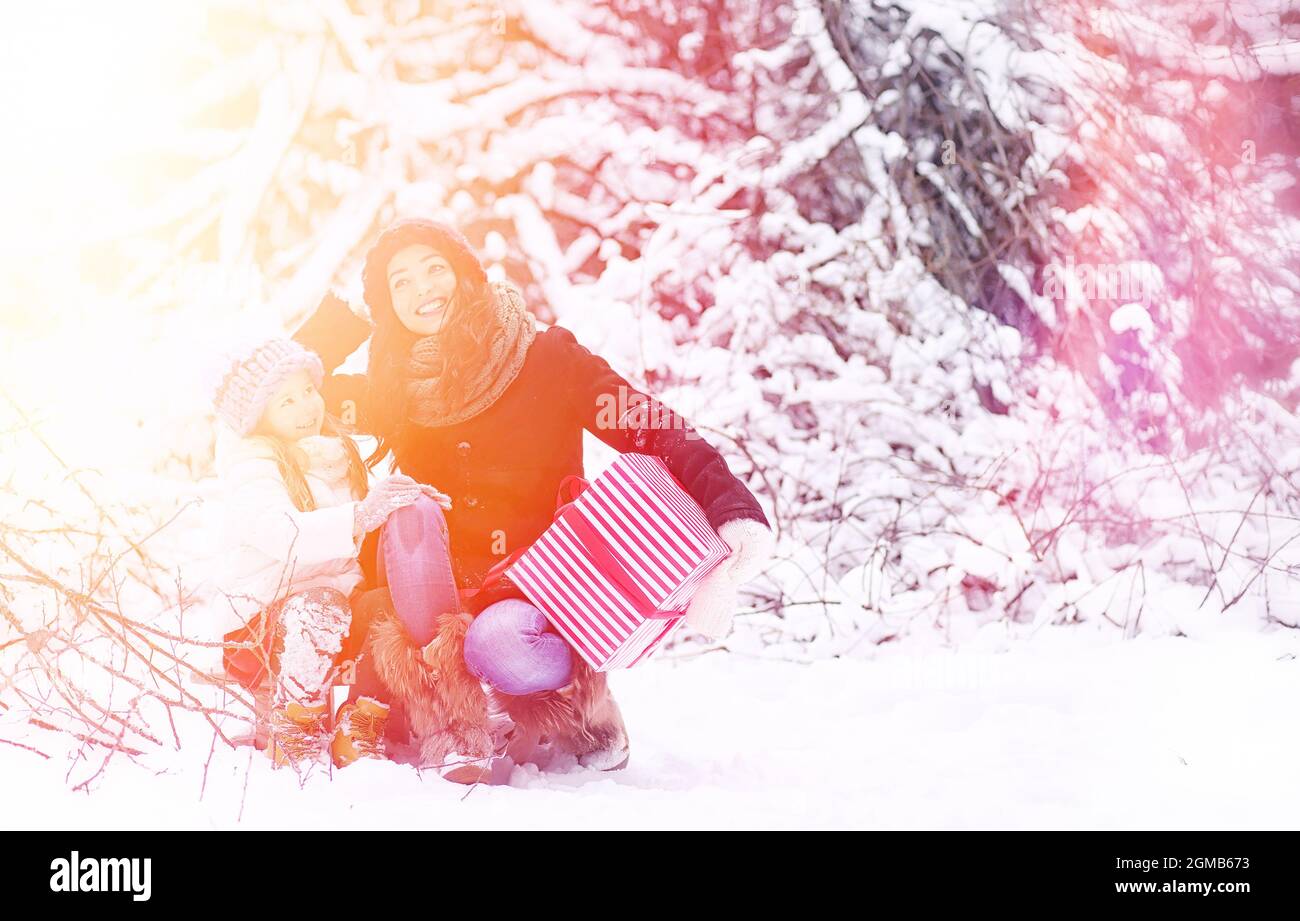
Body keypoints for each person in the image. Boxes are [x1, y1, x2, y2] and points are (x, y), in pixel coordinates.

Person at [294, 218, 775, 771]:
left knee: (495, 643)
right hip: (437, 594)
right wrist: (351, 317)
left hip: (541, 586)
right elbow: (292, 391)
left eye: (434, 269)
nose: (422, 289)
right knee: (407, 515)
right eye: (399, 283)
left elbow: (649, 423)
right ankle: (460, 724)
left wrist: (729, 506)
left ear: (465, 274)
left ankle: (582, 709)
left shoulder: (545, 358)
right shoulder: (395, 390)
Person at [209, 335, 450, 771]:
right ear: (259, 419)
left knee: (390, 610)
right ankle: (295, 722)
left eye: (307, 391)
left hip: (329, 611)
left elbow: (358, 533)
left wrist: (398, 503)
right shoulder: (252, 467)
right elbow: (285, 535)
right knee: (323, 607)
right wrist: (361, 515)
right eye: (286, 403)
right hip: (260, 628)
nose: (306, 408)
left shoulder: (334, 454)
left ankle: (361, 721)